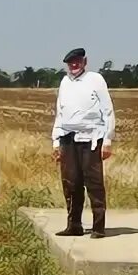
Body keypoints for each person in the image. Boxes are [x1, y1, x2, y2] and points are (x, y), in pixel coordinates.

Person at [51, 47, 115, 238]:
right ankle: (74, 225)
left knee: (94, 183)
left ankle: (98, 227)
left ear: (84, 62)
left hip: (91, 139)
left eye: (78, 61)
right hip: (68, 138)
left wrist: (108, 140)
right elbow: (60, 113)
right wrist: (56, 142)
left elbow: (108, 111)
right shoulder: (64, 82)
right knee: (71, 183)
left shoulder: (95, 79)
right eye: (71, 62)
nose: (74, 65)